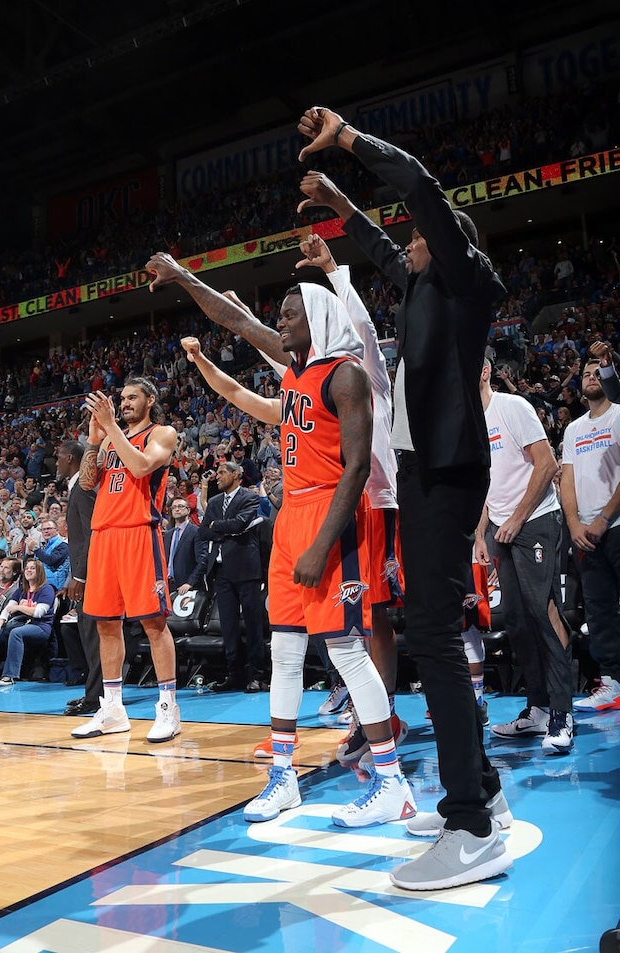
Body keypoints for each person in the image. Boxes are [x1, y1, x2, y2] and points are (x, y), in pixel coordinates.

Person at [294, 105, 510, 889]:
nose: (409, 243)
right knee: (432, 631)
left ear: (450, 241)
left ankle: (471, 824)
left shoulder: (462, 280)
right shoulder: (426, 284)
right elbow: (387, 246)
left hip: (447, 470)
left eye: (423, 234)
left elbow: (418, 190)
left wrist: (350, 140)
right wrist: (341, 215)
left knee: (432, 634)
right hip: (428, 469)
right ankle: (484, 792)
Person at [146, 253, 416, 828]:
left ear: (317, 318)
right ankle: (284, 776)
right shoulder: (295, 373)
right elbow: (237, 322)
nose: (281, 321)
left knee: (344, 648)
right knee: (286, 651)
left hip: (332, 516)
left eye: (291, 314)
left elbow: (357, 466)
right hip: (291, 515)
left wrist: (322, 543)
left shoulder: (345, 375)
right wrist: (184, 277)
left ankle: (392, 781)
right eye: (281, 314)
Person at [291, 228, 408, 760]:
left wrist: (335, 271)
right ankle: (372, 713)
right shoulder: (315, 374)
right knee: (354, 621)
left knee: (375, 615)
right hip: (344, 504)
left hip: (377, 500)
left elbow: (358, 324)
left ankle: (383, 718)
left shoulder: (363, 370)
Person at [70, 377, 181, 744]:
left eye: (132, 397)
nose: (125, 402)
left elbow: (140, 467)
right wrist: (92, 438)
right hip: (104, 535)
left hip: (139, 532)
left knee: (152, 622)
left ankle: (168, 708)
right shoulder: (107, 440)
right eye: (122, 398)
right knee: (104, 624)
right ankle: (113, 709)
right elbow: (87, 483)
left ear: (150, 400)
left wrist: (112, 427)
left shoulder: (162, 433)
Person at [476, 357, 573, 752]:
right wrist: (480, 534)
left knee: (543, 611)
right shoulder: (471, 422)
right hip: (500, 527)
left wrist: (517, 519)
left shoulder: (511, 407)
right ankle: (536, 709)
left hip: (534, 520)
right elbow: (485, 483)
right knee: (515, 620)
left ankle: (562, 713)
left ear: (483, 370)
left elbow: (547, 463)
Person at [561, 356, 620, 713]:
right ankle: (612, 682)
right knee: (598, 612)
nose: (590, 377)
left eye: (598, 372)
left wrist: (603, 518)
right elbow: (566, 480)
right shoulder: (573, 430)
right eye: (585, 373)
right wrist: (575, 525)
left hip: (614, 525)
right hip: (584, 533)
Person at [197, 460, 267, 692]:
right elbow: (204, 531)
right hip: (222, 572)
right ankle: (234, 675)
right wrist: (223, 527)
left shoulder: (249, 497)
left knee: (254, 625)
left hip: (247, 571)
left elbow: (239, 524)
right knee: (228, 627)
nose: (217, 476)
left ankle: (257, 675)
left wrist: (220, 526)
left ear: (237, 475)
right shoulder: (215, 502)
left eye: (222, 472)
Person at [55, 440, 103, 719]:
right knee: (89, 634)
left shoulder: (83, 490)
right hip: (86, 572)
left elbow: (91, 533)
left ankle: (97, 696)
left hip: (91, 574)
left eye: (58, 457)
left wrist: (79, 575)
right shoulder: (77, 488)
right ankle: (94, 692)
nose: (56, 462)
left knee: (94, 635)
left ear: (70, 457)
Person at [0, 559, 55, 687]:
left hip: (40, 626)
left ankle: (10, 675)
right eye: (27, 568)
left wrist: (19, 607)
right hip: (20, 623)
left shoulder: (46, 589)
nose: (29, 571)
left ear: (40, 572)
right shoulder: (21, 590)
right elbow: (7, 610)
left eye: (32, 568)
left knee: (16, 633)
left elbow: (38, 612)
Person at [165, 497, 207, 594]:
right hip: (169, 586)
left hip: (188, 587)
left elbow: (202, 560)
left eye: (180, 506)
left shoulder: (196, 532)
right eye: (174, 507)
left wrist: (190, 583)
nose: (177, 509)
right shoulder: (168, 535)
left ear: (188, 510)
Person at [25, 516, 70, 593]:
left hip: (53, 587)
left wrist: (36, 549)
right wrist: (29, 552)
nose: (46, 531)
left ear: (57, 530)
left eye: (49, 528)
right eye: (43, 529)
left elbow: (51, 560)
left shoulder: (63, 545)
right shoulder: (44, 546)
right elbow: (28, 564)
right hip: (39, 584)